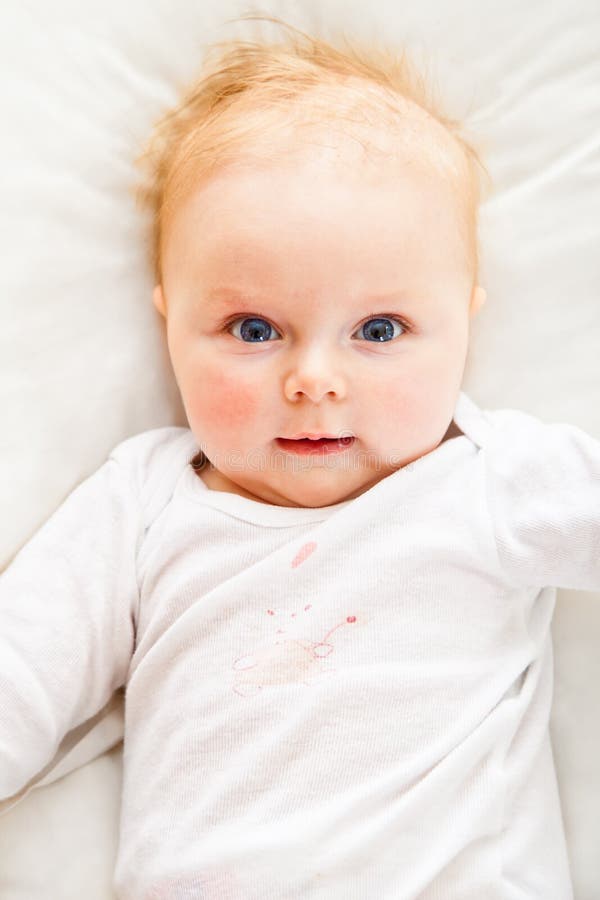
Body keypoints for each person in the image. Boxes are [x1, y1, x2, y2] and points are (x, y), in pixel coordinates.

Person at [1, 14, 598, 899]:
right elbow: (22, 667)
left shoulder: (490, 477)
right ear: (171, 321)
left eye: (379, 330)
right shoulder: (146, 502)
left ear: (465, 323)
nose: (314, 380)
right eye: (253, 329)